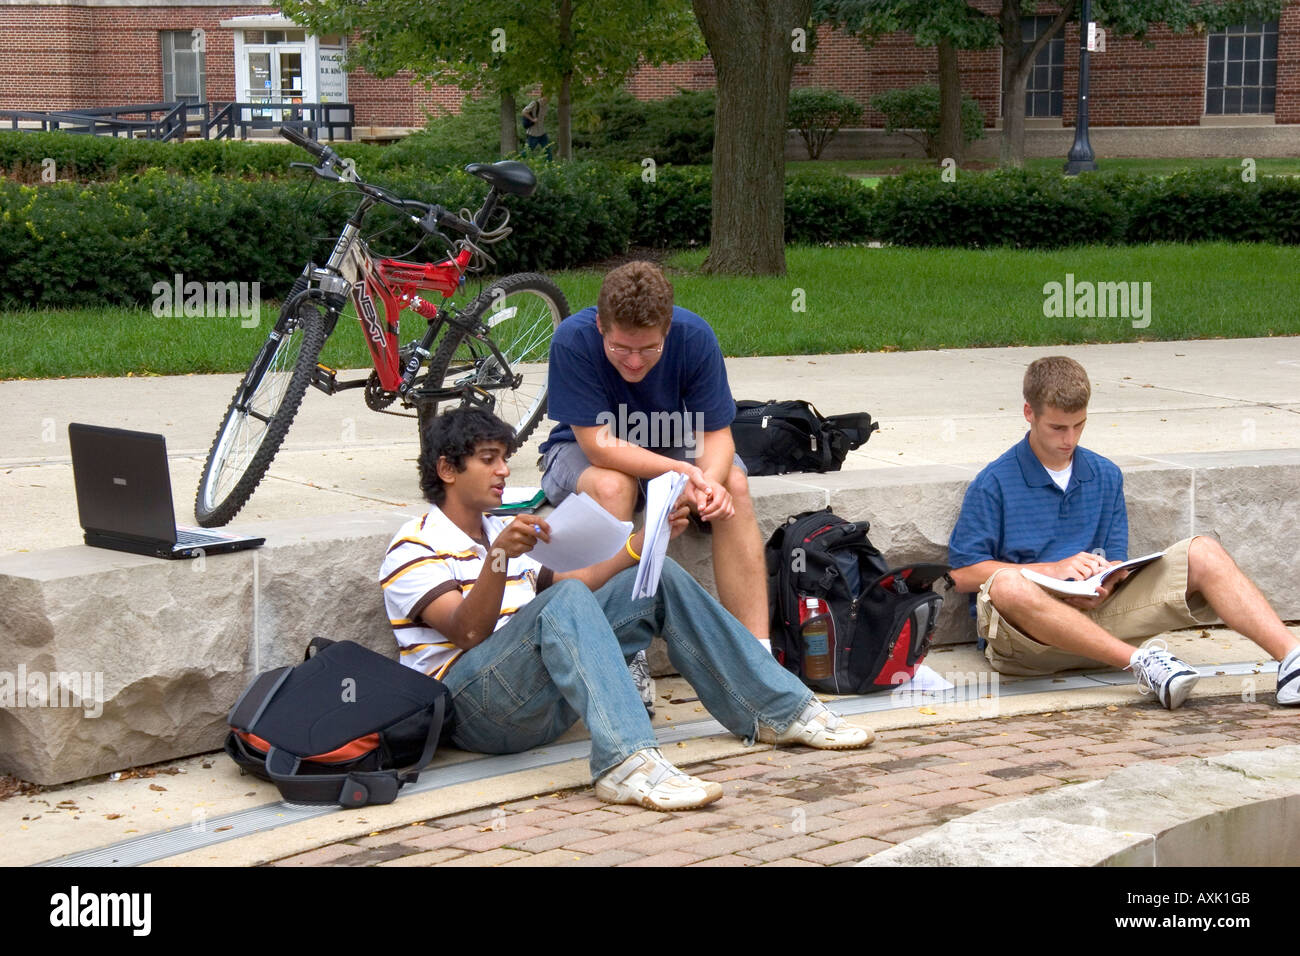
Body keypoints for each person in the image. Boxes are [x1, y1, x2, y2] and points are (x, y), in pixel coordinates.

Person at [380, 405, 872, 812]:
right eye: (489, 459)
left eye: (505, 458)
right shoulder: (414, 546)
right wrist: (500, 557)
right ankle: (627, 762)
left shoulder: (500, 530)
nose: (504, 470)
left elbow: (572, 583)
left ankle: (777, 710)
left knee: (657, 578)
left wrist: (643, 544)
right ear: (447, 469)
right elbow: (467, 634)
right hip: (476, 711)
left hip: (540, 699)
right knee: (566, 603)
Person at [947, 355, 1300, 709]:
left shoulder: (1105, 474)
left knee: (1203, 551)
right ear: (1029, 413)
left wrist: (1104, 585)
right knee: (1007, 584)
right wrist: (1052, 572)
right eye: (1057, 428)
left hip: (1100, 621)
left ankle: (1293, 661)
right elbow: (960, 576)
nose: (1069, 439)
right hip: (1028, 646)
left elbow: (1117, 561)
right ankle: (1143, 664)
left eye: (1079, 425)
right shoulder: (994, 482)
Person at [537, 261, 771, 662]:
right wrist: (680, 472)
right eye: (621, 348)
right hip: (580, 448)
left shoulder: (694, 336)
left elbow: (716, 435)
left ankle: (757, 656)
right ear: (601, 328)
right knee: (614, 486)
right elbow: (599, 446)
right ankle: (623, 656)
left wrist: (707, 484)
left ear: (667, 329)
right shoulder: (572, 340)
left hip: (666, 444)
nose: (633, 361)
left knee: (733, 485)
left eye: (648, 349)